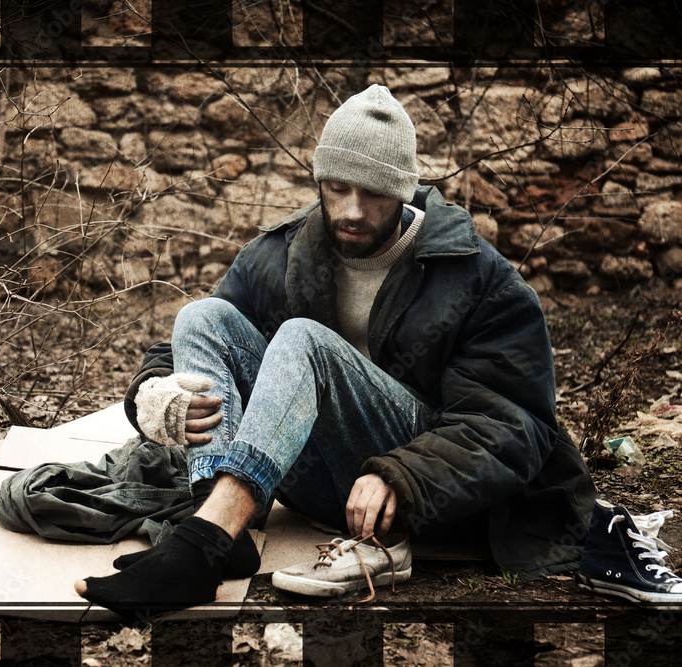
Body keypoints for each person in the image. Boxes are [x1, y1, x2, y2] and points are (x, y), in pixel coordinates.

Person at [73, 84, 596, 619]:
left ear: (403, 190)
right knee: (202, 317)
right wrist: (153, 392)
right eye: (337, 188)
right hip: (319, 481)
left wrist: (404, 471)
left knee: (303, 339)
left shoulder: (476, 275)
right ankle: (221, 533)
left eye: (373, 194)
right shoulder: (283, 252)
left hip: (419, 495)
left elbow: (514, 422)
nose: (352, 210)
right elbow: (200, 344)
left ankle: (195, 549)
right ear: (320, 180)